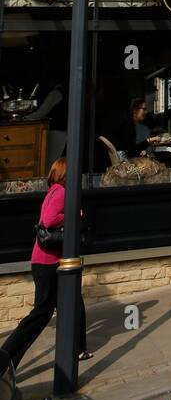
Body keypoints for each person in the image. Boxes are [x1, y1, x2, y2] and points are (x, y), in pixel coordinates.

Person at [2, 158, 90, 370]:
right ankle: (5, 357)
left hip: (52, 261)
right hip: (47, 262)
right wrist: (73, 215)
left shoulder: (54, 191)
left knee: (74, 302)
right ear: (66, 174)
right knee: (41, 314)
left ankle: (78, 348)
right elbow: (50, 220)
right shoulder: (60, 192)